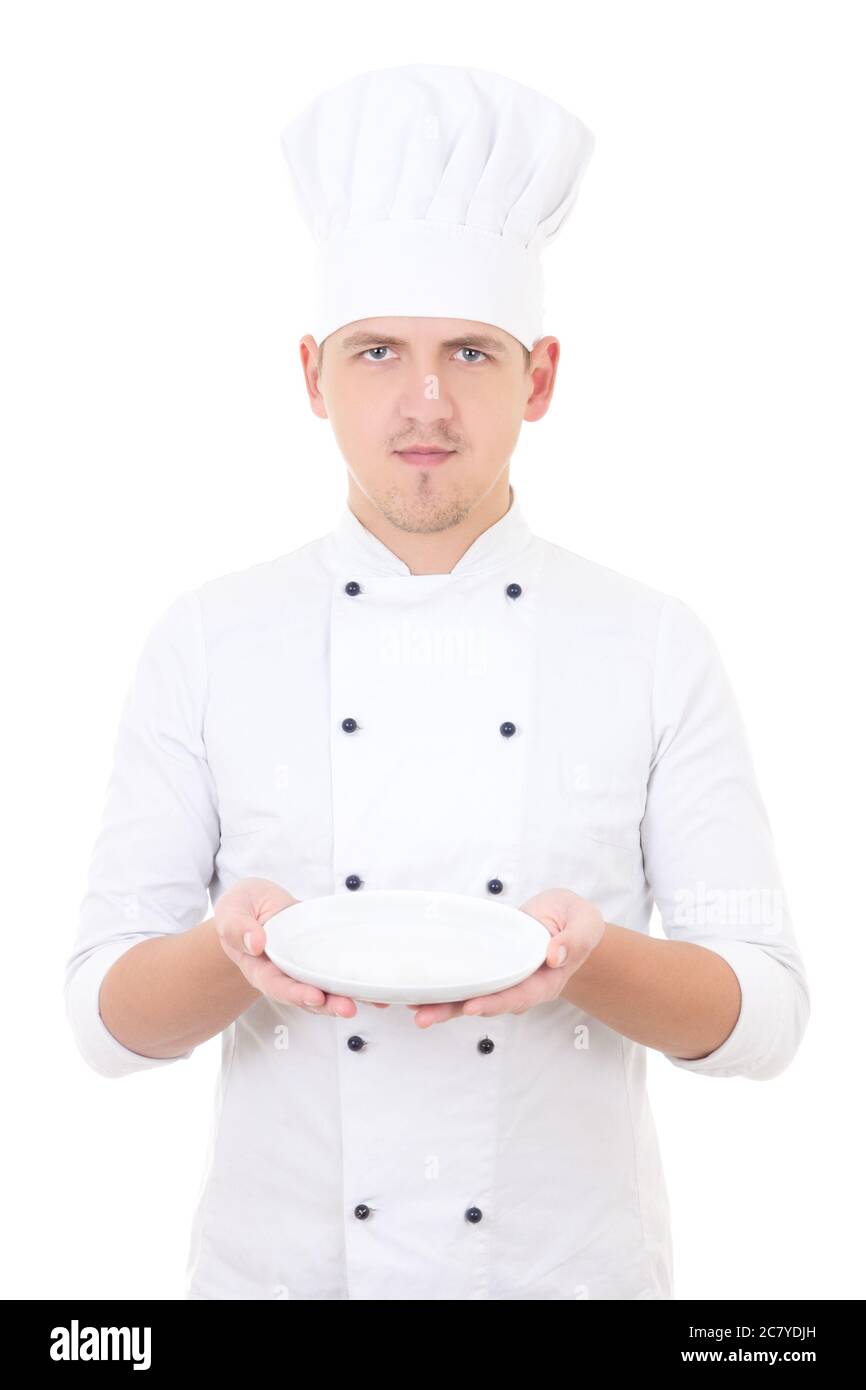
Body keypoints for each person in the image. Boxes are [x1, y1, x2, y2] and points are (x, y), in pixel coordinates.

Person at [64, 63, 810, 1301]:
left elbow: (764, 1018)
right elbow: (101, 1021)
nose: (424, 402)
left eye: (469, 351)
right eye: (376, 353)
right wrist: (228, 950)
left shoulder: (650, 641)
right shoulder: (206, 638)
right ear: (311, 376)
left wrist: (592, 961)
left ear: (540, 377)